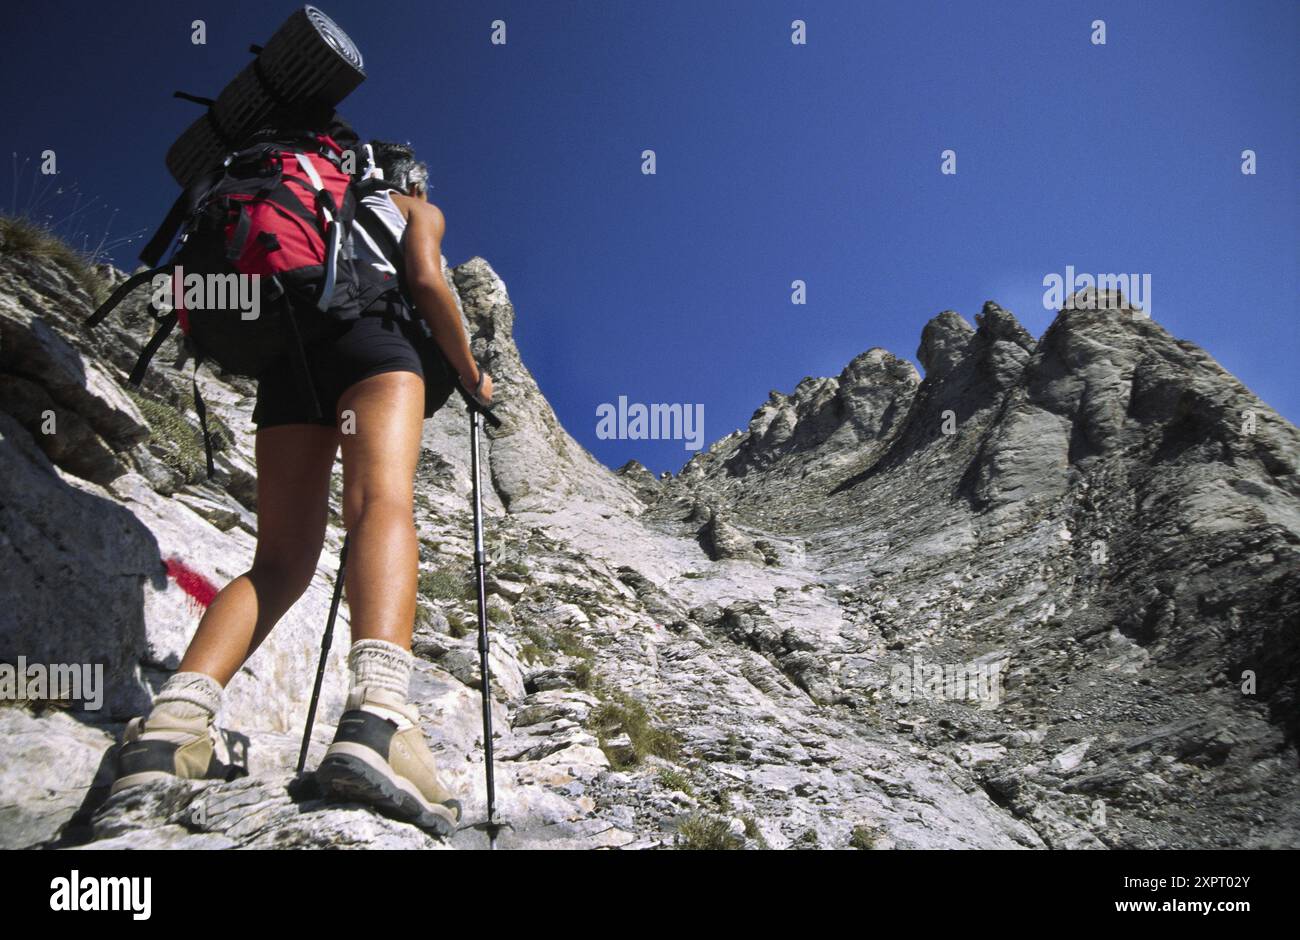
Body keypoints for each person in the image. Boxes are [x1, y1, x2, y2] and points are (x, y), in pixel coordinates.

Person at [112, 140, 491, 837]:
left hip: (293, 359)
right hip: (375, 344)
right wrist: (471, 374)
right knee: (381, 503)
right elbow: (430, 285)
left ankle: (169, 730)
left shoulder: (317, 207)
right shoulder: (413, 206)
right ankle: (379, 718)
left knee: (280, 561)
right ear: (405, 173)